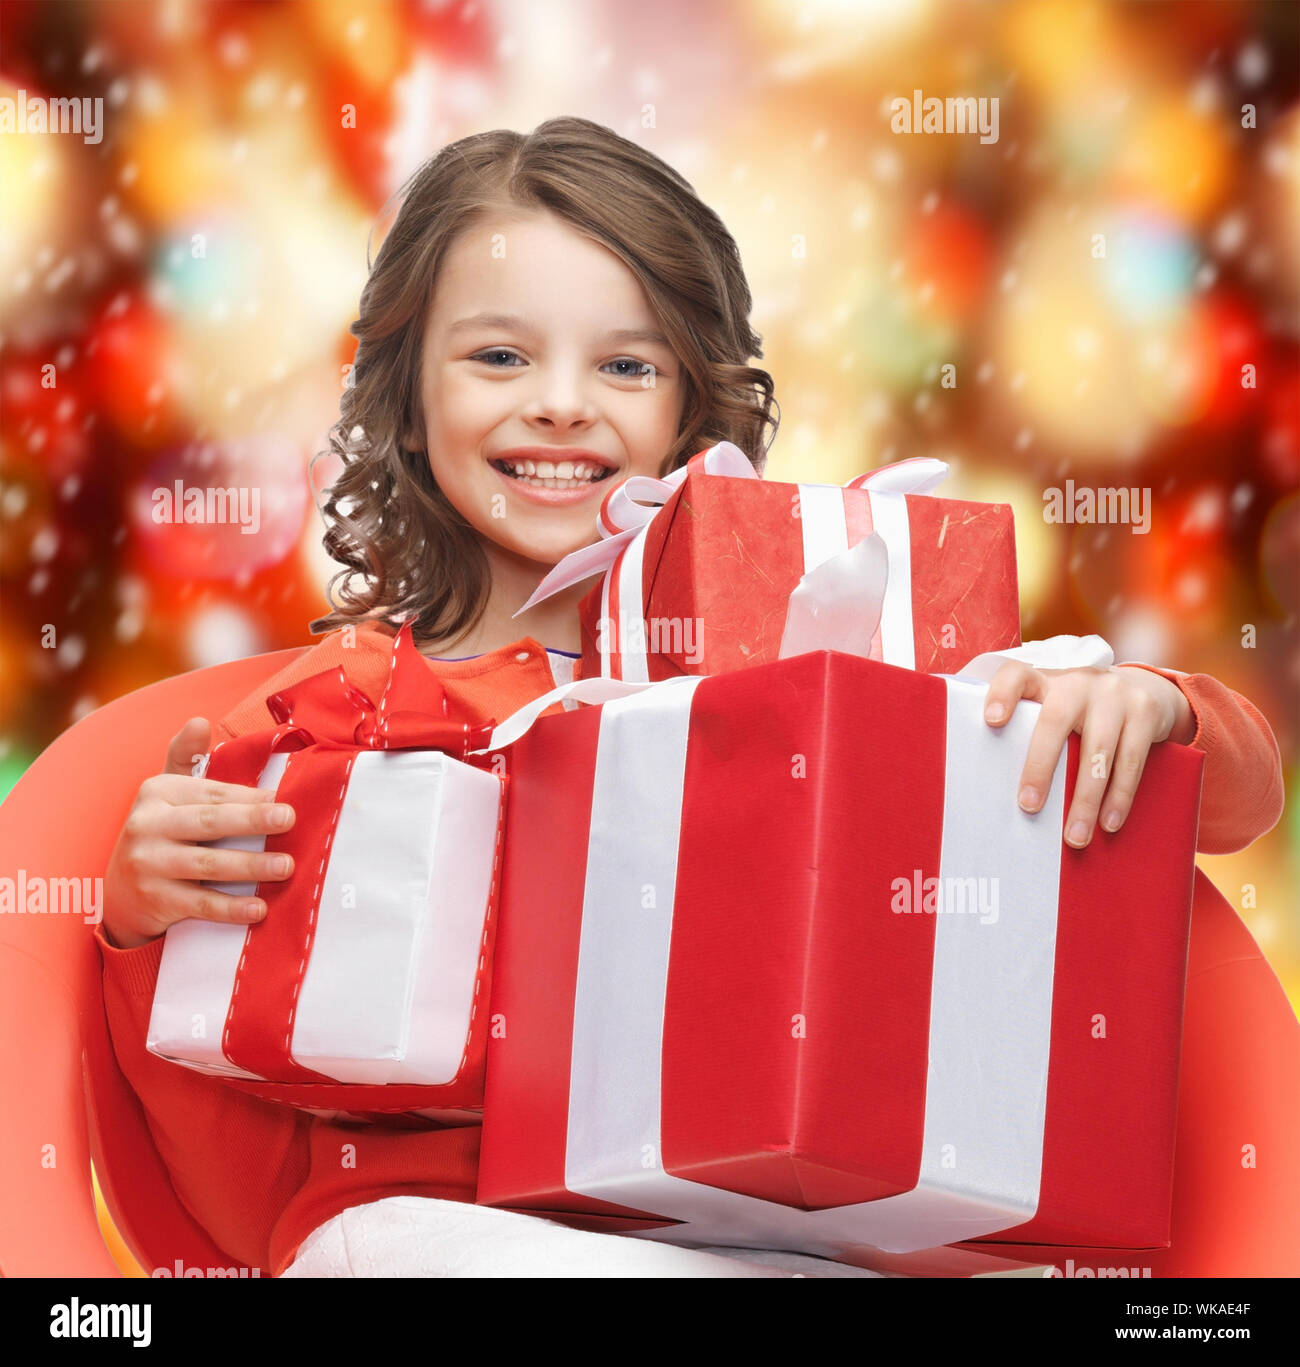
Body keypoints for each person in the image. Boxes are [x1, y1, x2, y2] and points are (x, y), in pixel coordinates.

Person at [98, 117, 1285, 1278]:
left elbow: (1232, 805)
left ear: (690, 407)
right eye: (500, 355)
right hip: (431, 1225)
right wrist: (150, 922)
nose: (563, 404)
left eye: (626, 363)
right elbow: (223, 1156)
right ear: (405, 397)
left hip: (777, 1227)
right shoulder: (344, 712)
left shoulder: (809, 663)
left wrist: (1153, 708)